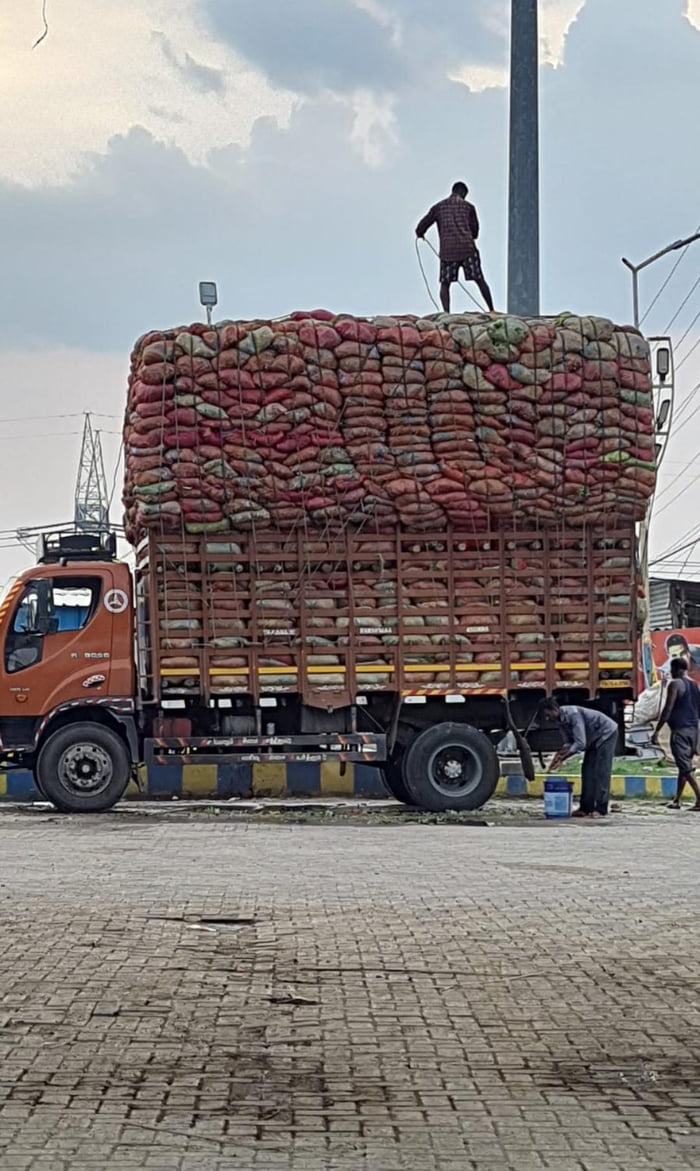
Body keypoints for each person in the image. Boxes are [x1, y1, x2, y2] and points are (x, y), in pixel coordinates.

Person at [415, 182, 494, 313]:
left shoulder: (438, 207)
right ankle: (491, 309)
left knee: (445, 283)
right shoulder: (469, 207)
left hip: (448, 252)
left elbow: (422, 226)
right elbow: (475, 232)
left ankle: (446, 312)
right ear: (463, 193)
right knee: (479, 279)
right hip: (468, 249)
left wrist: (420, 233)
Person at [538, 698, 618, 819]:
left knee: (601, 771)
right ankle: (586, 808)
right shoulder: (560, 720)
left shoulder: (573, 714)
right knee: (587, 771)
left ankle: (601, 809)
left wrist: (565, 757)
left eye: (548, 714)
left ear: (554, 709)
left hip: (606, 733)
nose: (547, 718)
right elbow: (568, 742)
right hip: (593, 738)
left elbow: (580, 743)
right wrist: (560, 755)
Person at [652, 656, 700, 810]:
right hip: (693, 730)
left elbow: (667, 709)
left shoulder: (675, 684)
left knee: (685, 767)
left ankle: (699, 799)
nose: (670, 673)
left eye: (671, 670)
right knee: (683, 766)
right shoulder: (694, 685)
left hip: (680, 731)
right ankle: (677, 800)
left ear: (677, 670)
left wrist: (657, 730)